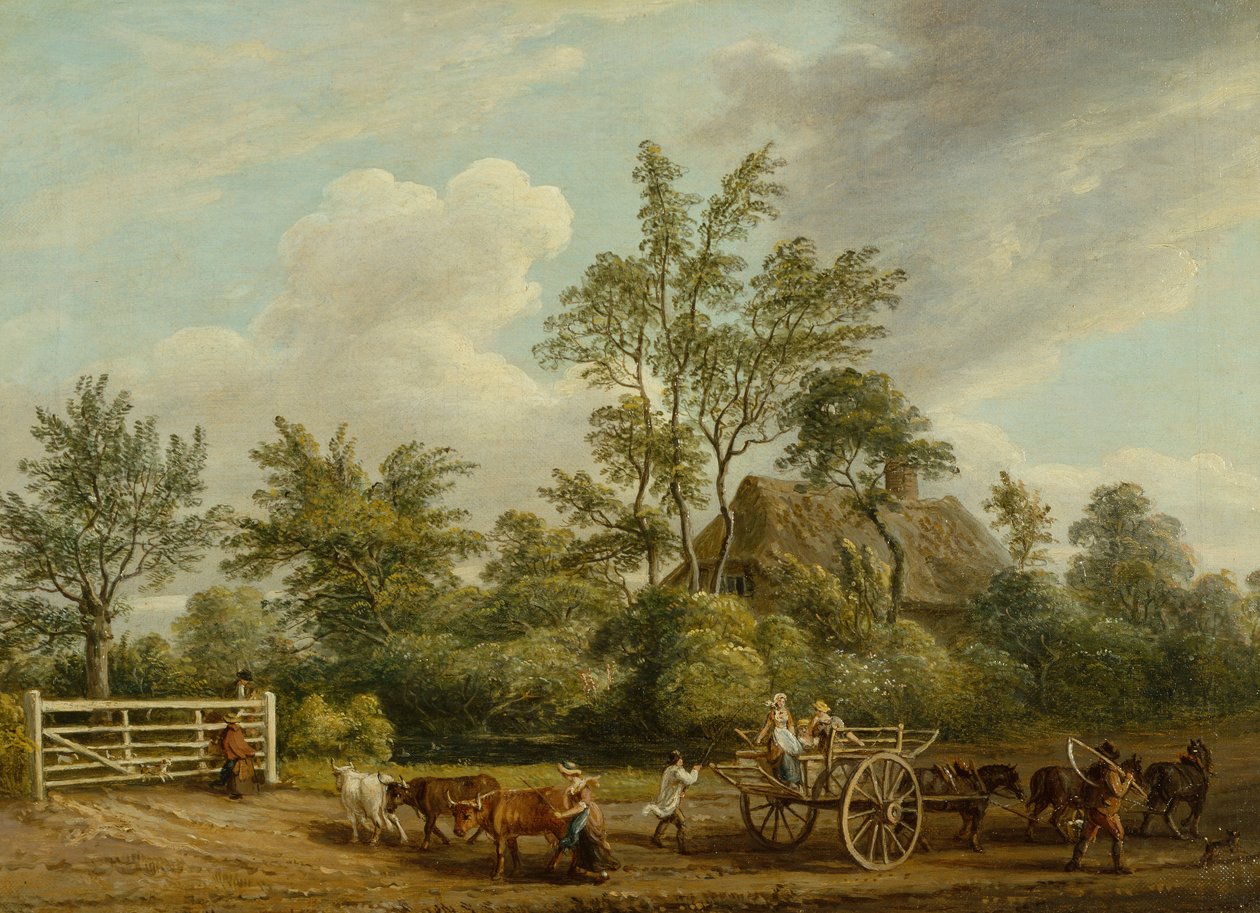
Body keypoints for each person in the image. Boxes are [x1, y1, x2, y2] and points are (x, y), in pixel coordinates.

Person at [1064, 739, 1136, 875]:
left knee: (1086, 836)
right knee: (1118, 835)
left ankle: (1074, 862)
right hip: (1105, 811)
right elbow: (1118, 792)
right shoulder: (1110, 771)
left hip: (1092, 809)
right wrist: (1128, 780)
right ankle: (1119, 867)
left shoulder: (1094, 769)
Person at [644, 749, 701, 853]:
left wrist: (682, 790)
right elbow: (689, 780)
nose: (681, 760)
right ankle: (682, 848)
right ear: (676, 760)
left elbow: (680, 783)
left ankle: (656, 838)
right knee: (682, 824)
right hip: (670, 803)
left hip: (667, 802)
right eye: (679, 758)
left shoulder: (670, 769)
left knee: (667, 819)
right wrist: (695, 770)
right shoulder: (676, 771)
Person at [755, 692, 803, 787]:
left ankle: (799, 778)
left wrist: (793, 737)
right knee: (783, 752)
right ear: (776, 701)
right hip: (778, 734)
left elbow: (790, 725)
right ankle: (789, 778)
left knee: (796, 752)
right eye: (779, 700)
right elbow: (767, 726)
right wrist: (759, 738)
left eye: (783, 701)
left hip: (786, 733)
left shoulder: (787, 712)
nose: (781, 702)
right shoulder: (772, 713)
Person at [212, 712, 258, 800]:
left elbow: (233, 744)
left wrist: (242, 752)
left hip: (234, 754)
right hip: (234, 754)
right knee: (232, 770)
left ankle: (227, 786)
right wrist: (245, 752)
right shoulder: (233, 730)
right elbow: (237, 744)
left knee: (231, 770)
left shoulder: (231, 731)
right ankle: (229, 787)